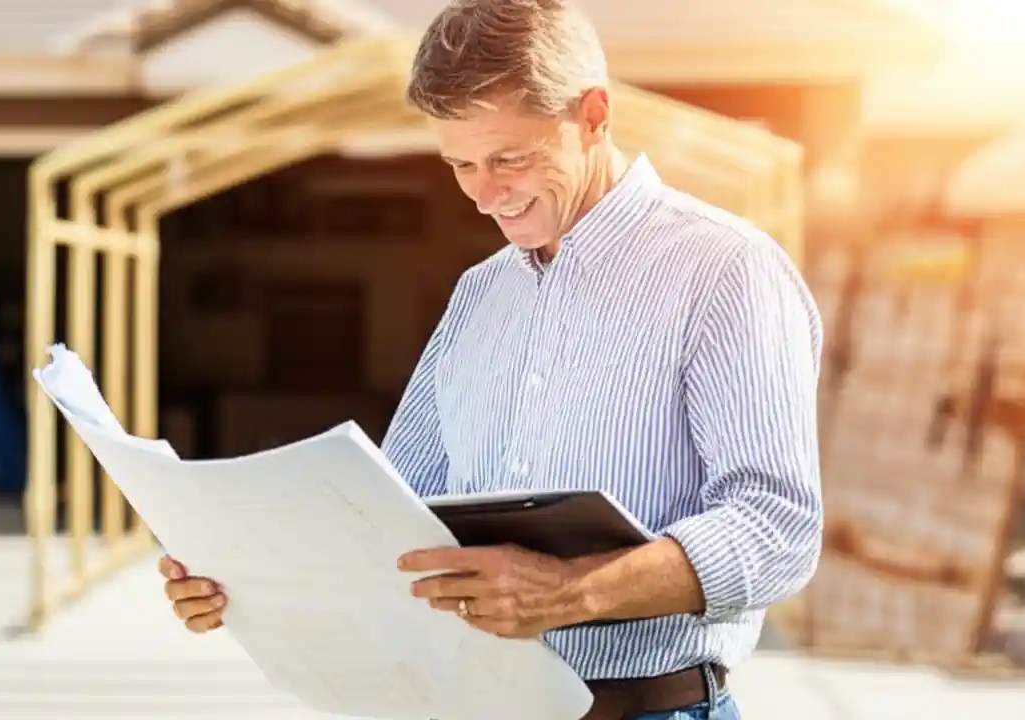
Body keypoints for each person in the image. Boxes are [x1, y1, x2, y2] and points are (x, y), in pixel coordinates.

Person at [158, 1, 823, 718]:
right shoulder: (481, 294)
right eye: (461, 164)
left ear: (594, 115)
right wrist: (248, 581)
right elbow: (390, 512)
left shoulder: (726, 268)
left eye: (510, 157)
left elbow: (775, 526)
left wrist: (571, 593)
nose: (483, 194)